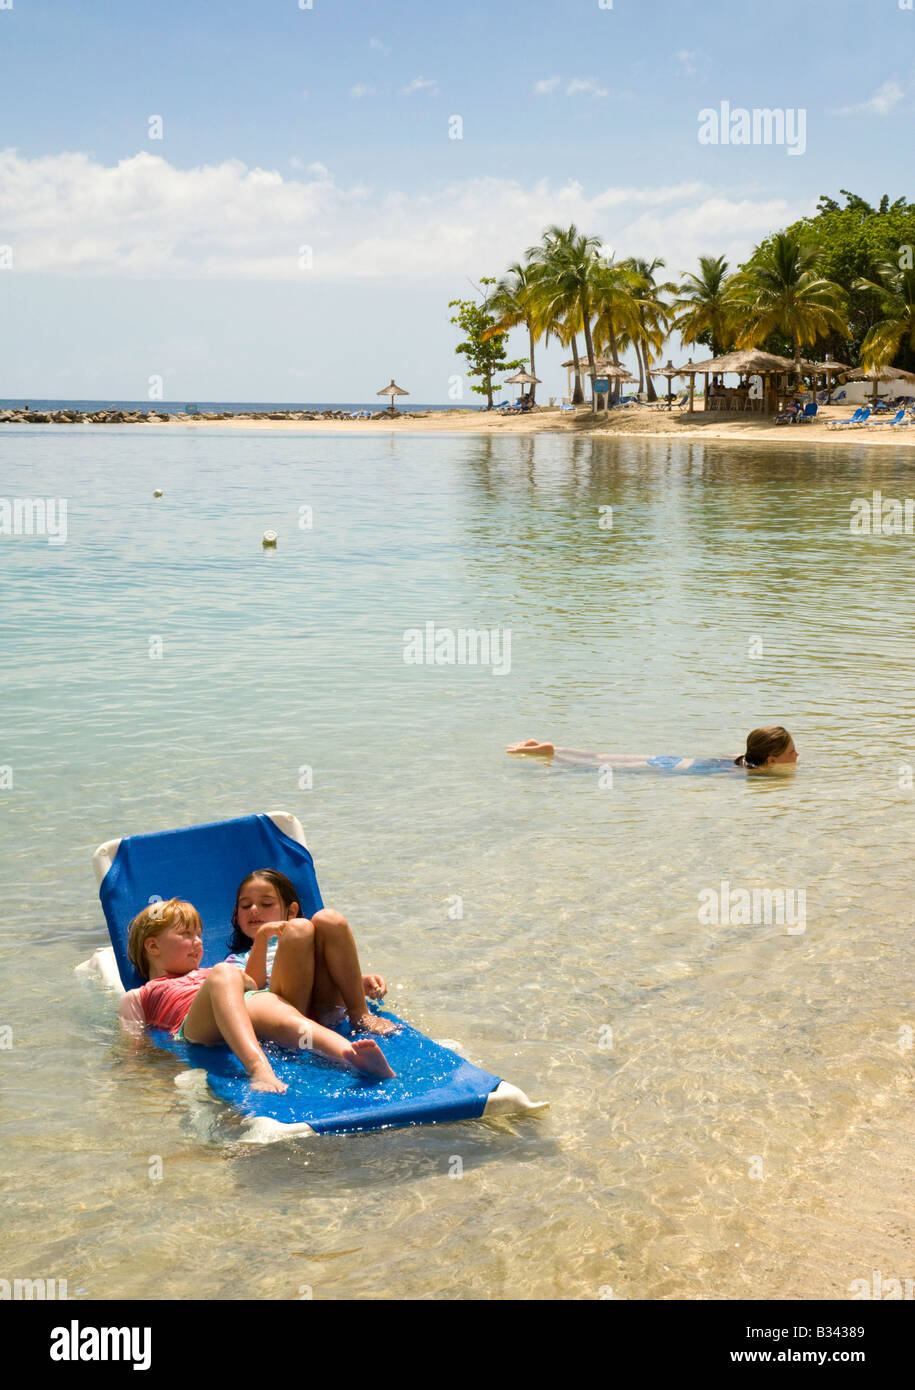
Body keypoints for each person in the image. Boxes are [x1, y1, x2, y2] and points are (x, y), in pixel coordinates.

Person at [117, 898, 395, 1093]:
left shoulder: (212, 970)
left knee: (289, 1020)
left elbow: (254, 984)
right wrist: (143, 1072)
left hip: (243, 1004)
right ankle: (258, 1067)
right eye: (187, 935)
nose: (199, 942)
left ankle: (350, 1057)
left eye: (200, 935)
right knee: (224, 974)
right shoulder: (139, 995)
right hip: (196, 1026)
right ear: (152, 946)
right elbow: (135, 1043)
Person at [224, 869, 395, 1038]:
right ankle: (299, 1028)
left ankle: (360, 1015)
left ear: (291, 911)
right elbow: (251, 990)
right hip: (287, 1013)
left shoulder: (309, 937)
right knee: (299, 929)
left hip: (324, 1006)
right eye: (245, 906)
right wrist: (262, 937)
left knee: (328, 918)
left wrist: (360, 982)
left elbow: (323, 967)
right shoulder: (236, 960)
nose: (253, 909)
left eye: (266, 904)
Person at [506, 726, 799, 774]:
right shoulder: (753, 775)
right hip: (673, 768)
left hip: (677, 760)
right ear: (772, 760)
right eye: (791, 753)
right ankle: (552, 755)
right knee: (601, 768)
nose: (797, 757)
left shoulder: (743, 757)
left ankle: (554, 749)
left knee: (602, 758)